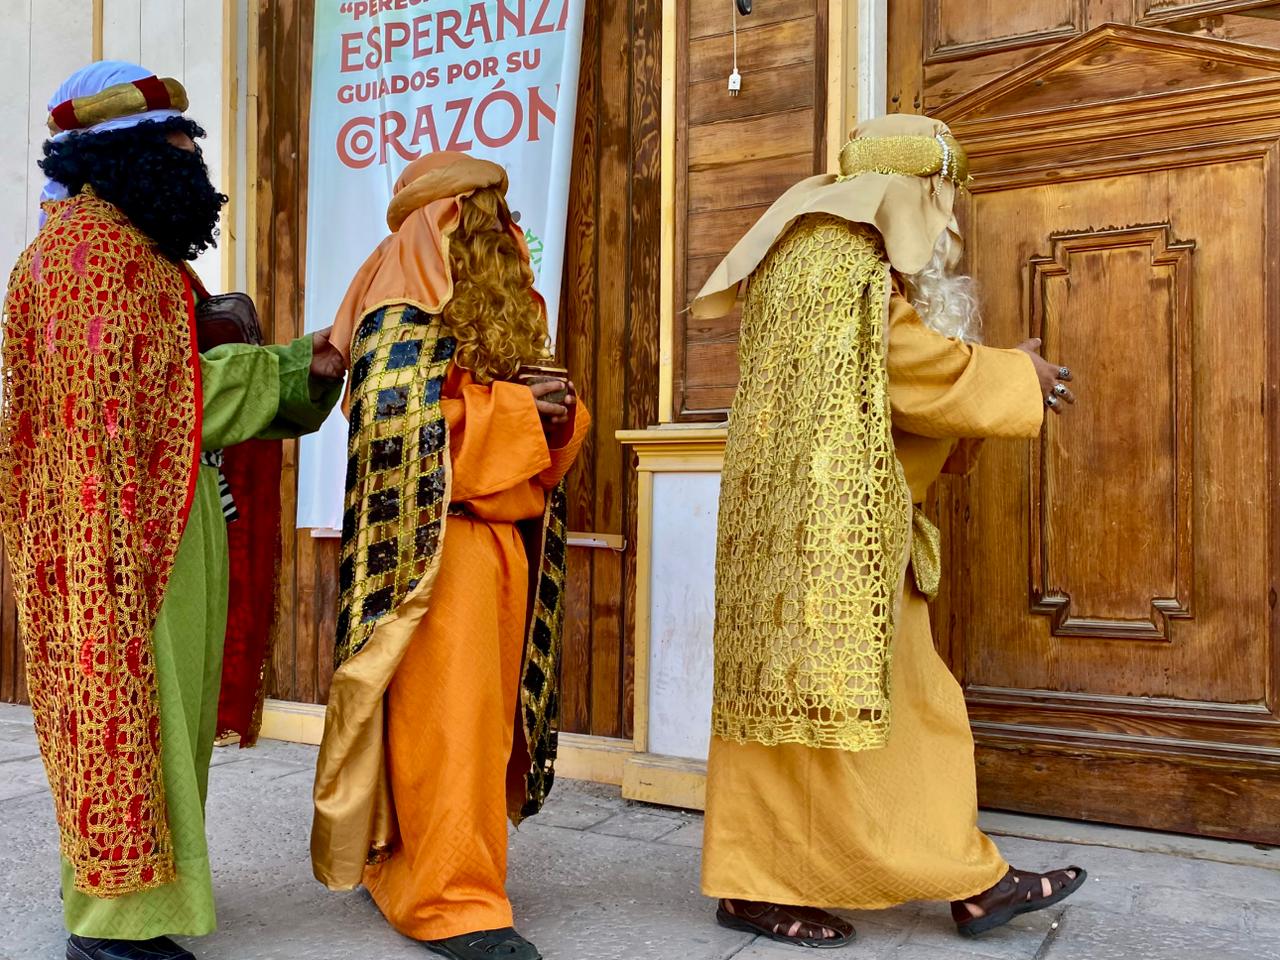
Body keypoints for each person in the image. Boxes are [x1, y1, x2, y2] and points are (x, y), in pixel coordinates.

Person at [691, 114, 1087, 948]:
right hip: (840, 539)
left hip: (789, 535)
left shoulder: (801, 251)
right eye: (940, 199)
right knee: (903, 706)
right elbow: (907, 369)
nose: (944, 222)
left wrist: (992, 375)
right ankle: (954, 882)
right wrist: (1022, 376)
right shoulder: (846, 263)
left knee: (810, 717)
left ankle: (781, 878)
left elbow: (868, 382)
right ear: (911, 190)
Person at [0, 62, 346, 960]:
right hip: (119, 541)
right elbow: (161, 395)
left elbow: (168, 386)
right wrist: (288, 367)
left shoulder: (125, 252)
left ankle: (141, 900)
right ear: (124, 156)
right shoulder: (91, 257)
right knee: (131, 723)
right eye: (179, 145)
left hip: (152, 516)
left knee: (166, 724)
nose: (195, 161)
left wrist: (282, 370)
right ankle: (116, 930)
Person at [310, 151, 589, 960]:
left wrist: (555, 411)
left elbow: (524, 428)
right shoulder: (397, 310)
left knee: (478, 731)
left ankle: (418, 869)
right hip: (439, 559)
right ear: (442, 223)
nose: (501, 231)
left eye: (502, 213)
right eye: (483, 214)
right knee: (450, 731)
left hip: (502, 547)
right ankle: (453, 903)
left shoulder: (492, 306)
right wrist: (516, 408)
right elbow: (409, 439)